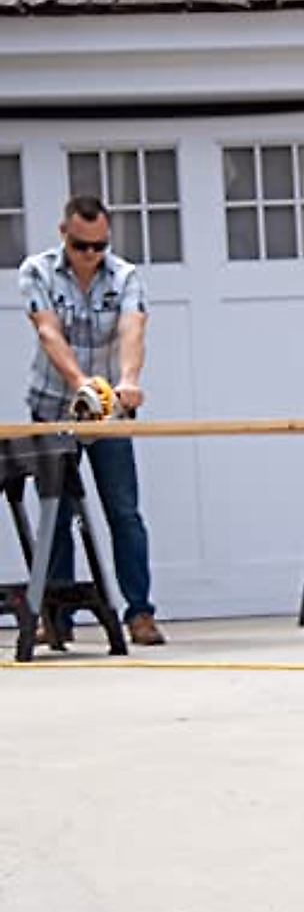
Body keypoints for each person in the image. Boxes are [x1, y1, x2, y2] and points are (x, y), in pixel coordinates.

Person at [18, 194, 166, 646]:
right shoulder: (37, 271)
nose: (91, 255)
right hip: (53, 405)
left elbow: (132, 327)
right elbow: (48, 331)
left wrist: (128, 379)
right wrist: (82, 383)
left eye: (100, 246)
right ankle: (56, 618)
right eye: (81, 246)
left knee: (123, 511)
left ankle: (139, 612)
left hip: (107, 412)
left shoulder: (124, 276)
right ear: (63, 234)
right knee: (56, 513)